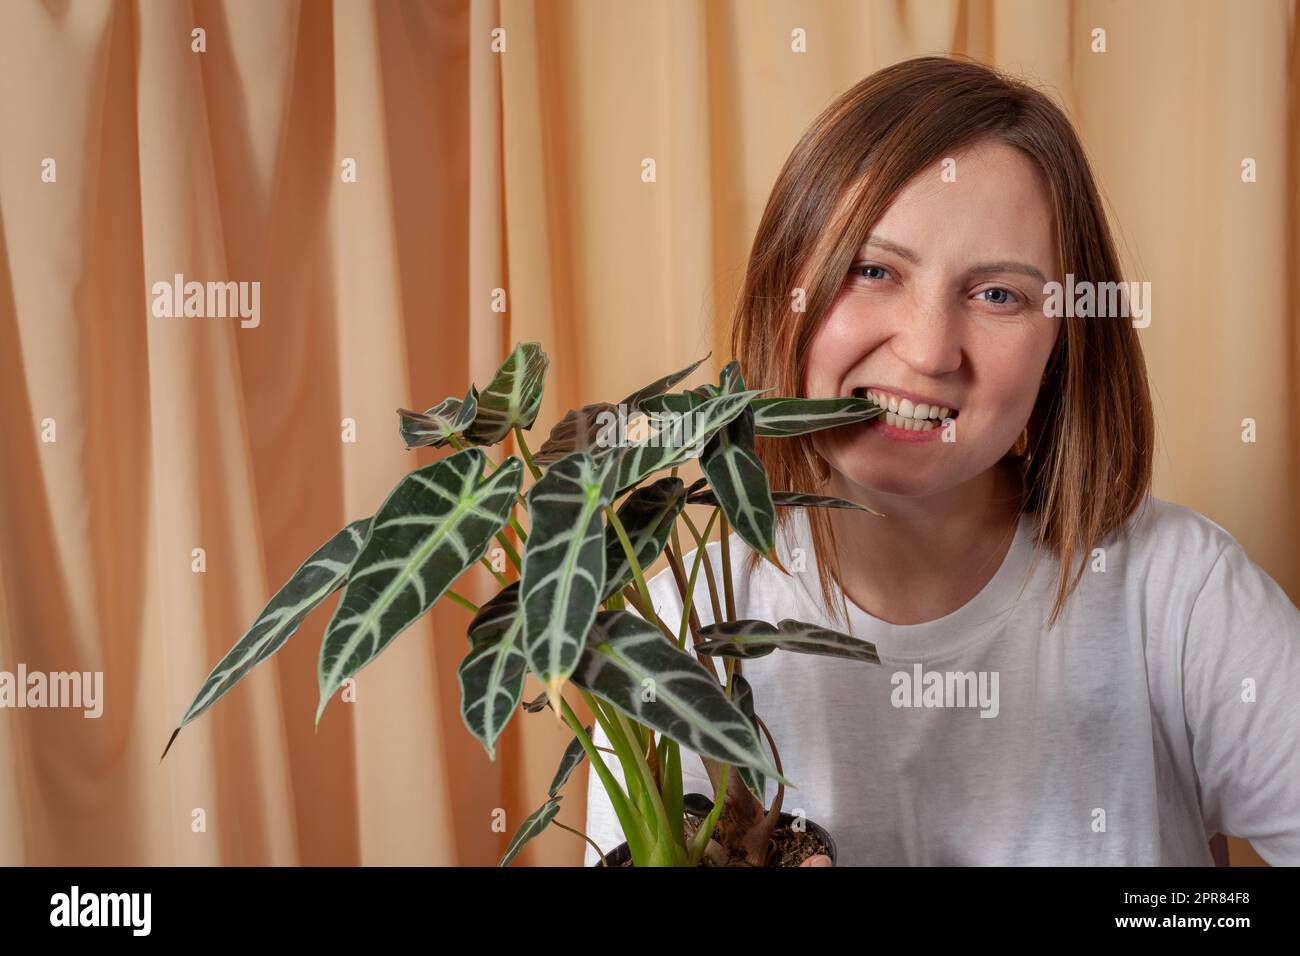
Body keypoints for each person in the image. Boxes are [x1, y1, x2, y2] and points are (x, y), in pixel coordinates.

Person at [583, 55, 1300, 866]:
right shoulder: (669, 625)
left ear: (1064, 345)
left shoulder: (1180, 593)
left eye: (999, 295)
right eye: (873, 270)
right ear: (787, 289)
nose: (927, 353)